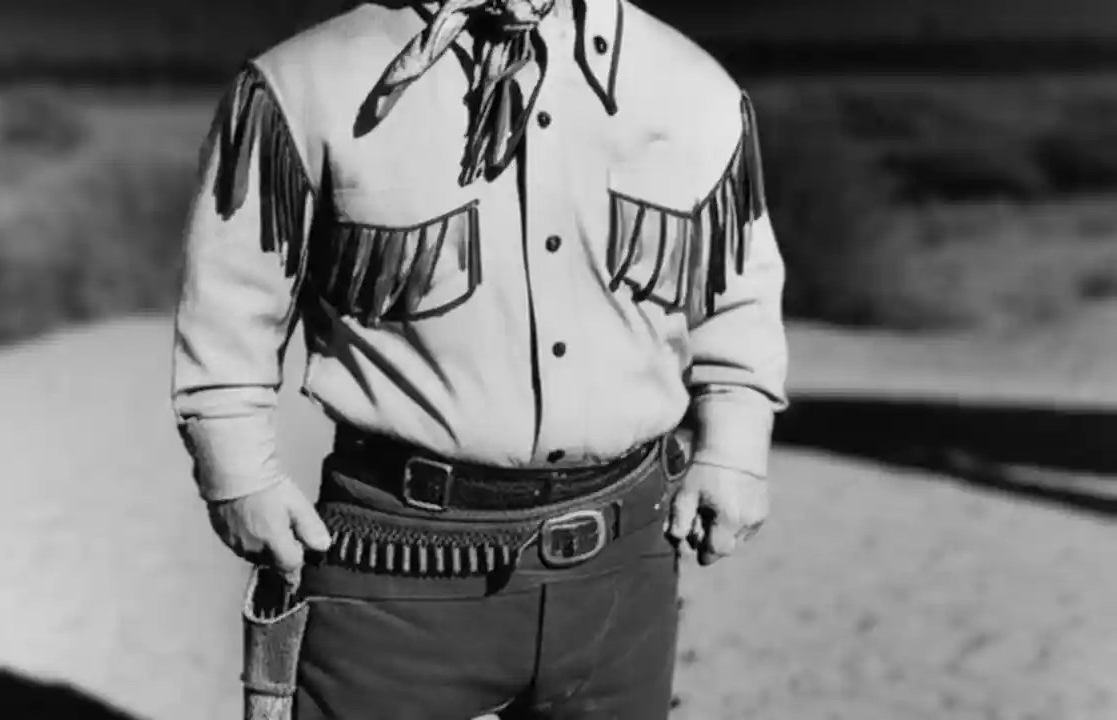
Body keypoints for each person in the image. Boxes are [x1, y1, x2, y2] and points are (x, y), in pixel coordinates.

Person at [171, 1, 788, 718]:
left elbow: (737, 289)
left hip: (626, 569)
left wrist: (734, 450)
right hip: (394, 568)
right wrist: (236, 477)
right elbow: (230, 307)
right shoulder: (305, 84)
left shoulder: (692, 86)